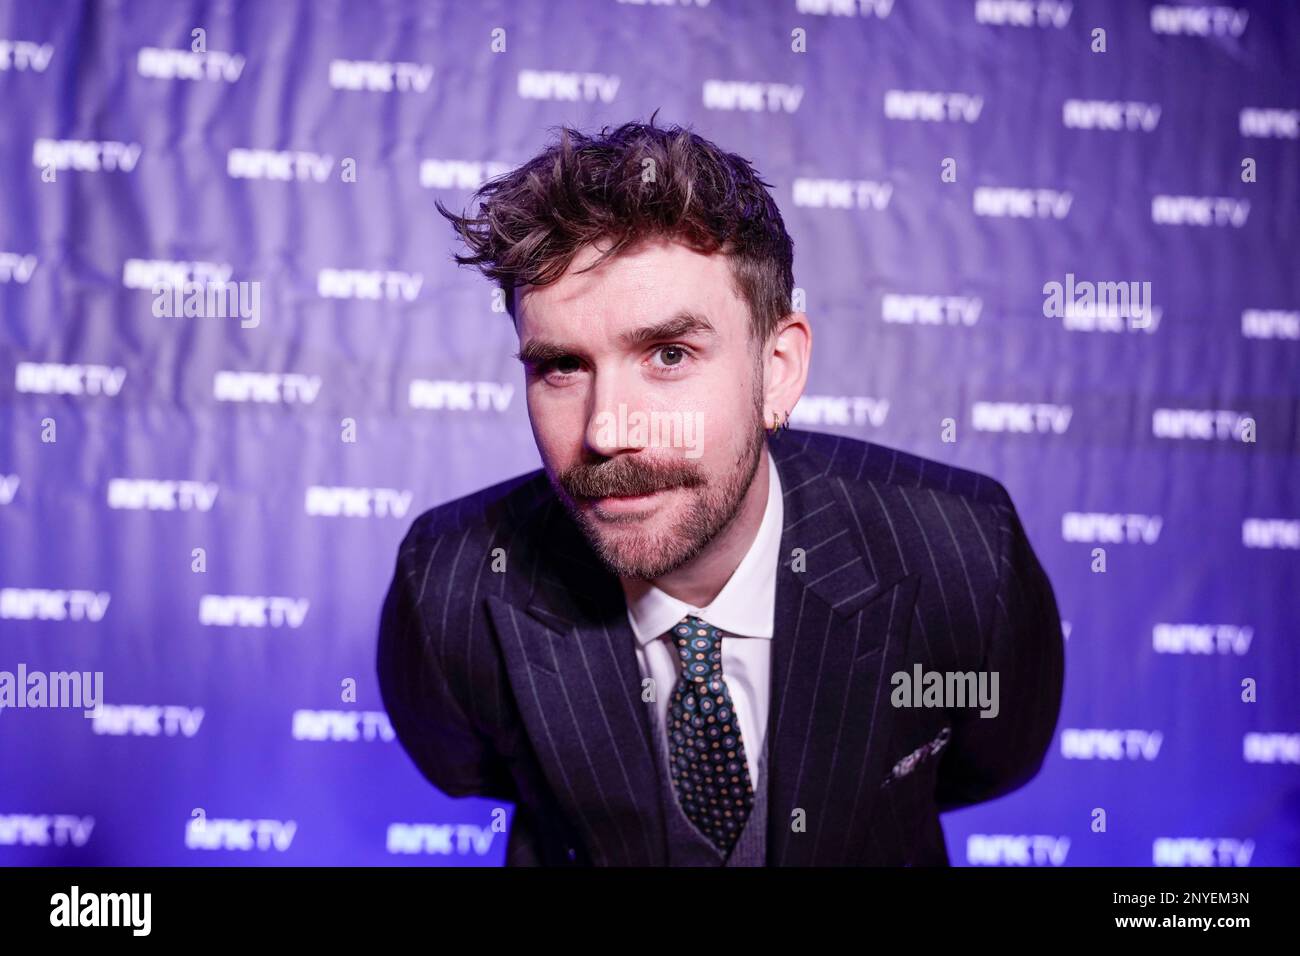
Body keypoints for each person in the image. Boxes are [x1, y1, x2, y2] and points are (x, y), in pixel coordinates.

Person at [376, 114, 1065, 866]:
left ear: (779, 369)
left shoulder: (963, 556)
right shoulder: (448, 586)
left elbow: (995, 758)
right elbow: (462, 768)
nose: (607, 431)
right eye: (562, 367)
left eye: (669, 354)